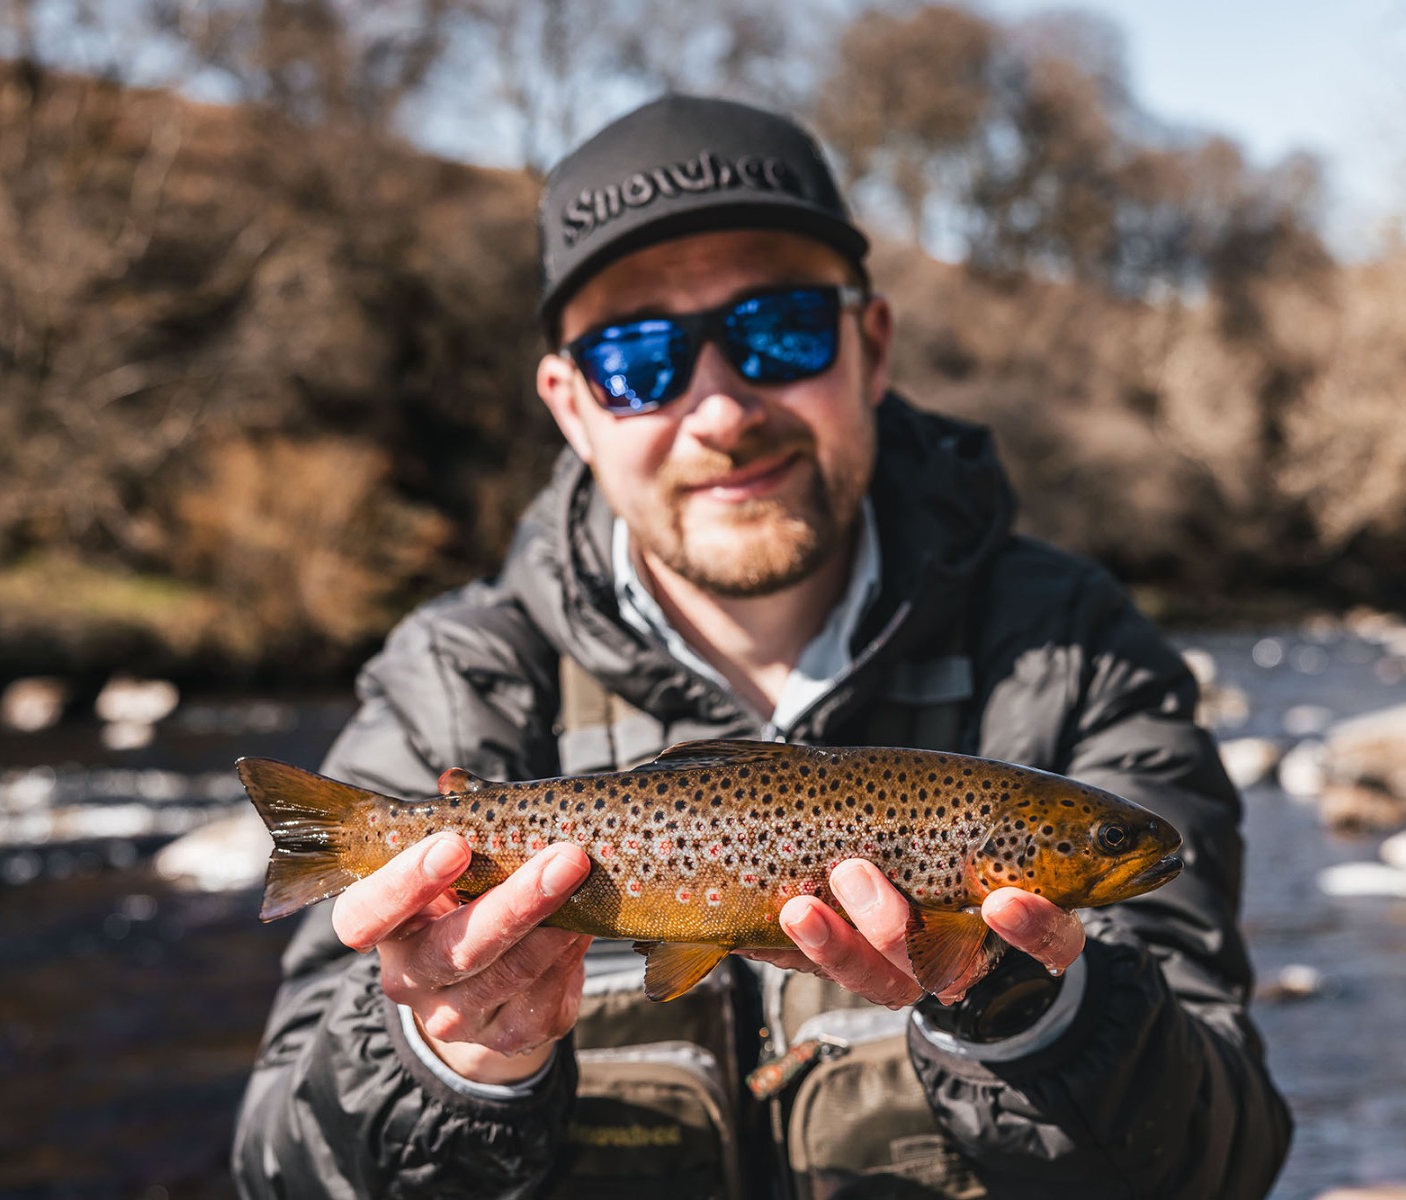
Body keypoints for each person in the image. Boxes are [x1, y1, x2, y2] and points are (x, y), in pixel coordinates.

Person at [231, 94, 1292, 1199]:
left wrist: (1028, 1006)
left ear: (869, 345)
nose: (721, 409)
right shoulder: (450, 685)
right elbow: (277, 1172)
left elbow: (1224, 1160)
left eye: (777, 329)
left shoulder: (1077, 655)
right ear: (569, 405)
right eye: (639, 359)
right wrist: (448, 1064)